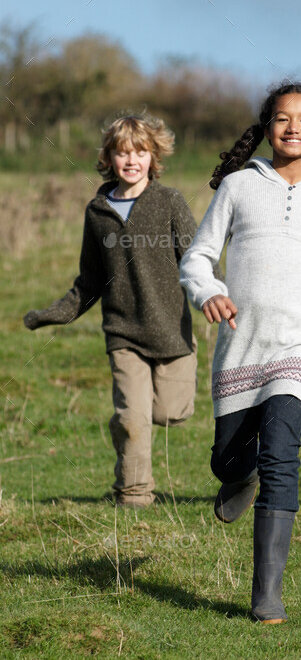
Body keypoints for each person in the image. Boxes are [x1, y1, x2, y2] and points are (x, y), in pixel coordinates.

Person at [179, 82, 301, 623]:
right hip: (241, 347)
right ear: (267, 127)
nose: (294, 128)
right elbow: (197, 258)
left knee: (281, 452)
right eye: (283, 119)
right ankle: (237, 476)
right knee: (227, 460)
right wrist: (210, 290)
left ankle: (266, 595)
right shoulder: (239, 187)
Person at [23, 114, 198, 508]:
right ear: (109, 158)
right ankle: (134, 495)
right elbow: (89, 280)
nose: (131, 160)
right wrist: (55, 313)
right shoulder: (97, 211)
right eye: (122, 153)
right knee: (132, 420)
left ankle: (151, 412)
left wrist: (219, 297)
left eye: (140, 152)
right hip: (123, 334)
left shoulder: (169, 202)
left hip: (173, 332)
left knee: (170, 414)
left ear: (154, 157)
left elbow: (197, 260)